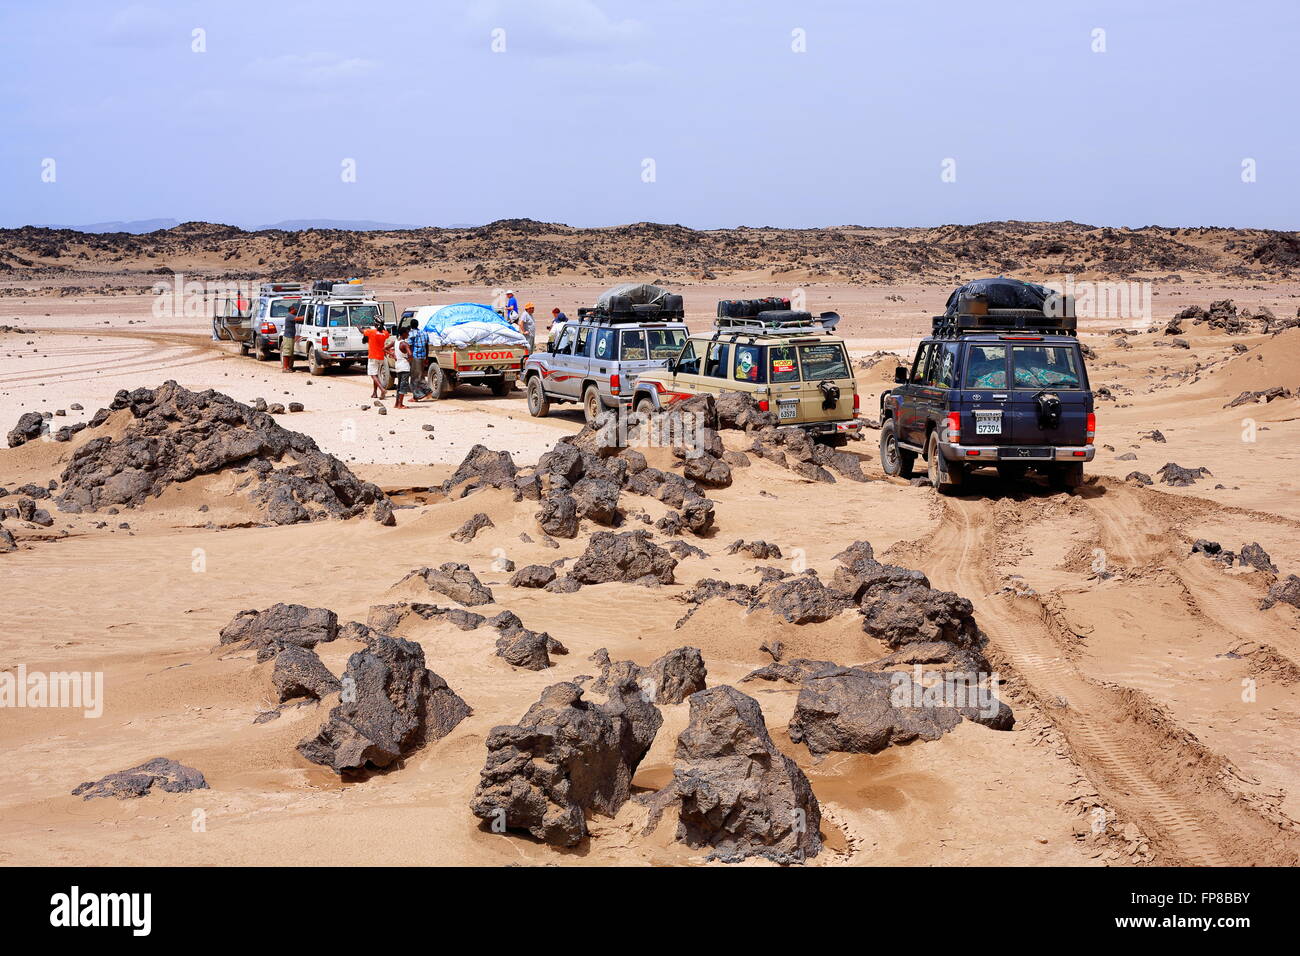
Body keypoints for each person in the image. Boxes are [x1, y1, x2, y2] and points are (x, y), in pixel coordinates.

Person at [362, 319, 390, 399]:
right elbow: (386, 333)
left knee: (373, 374)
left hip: (373, 356)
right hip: (381, 356)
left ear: (375, 324)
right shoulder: (385, 333)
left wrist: (358, 327)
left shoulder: (371, 332)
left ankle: (382, 389)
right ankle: (375, 393)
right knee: (376, 375)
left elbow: (362, 331)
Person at [390, 326, 412, 410]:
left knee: (399, 385)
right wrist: (409, 360)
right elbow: (410, 354)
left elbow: (384, 348)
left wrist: (392, 354)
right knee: (403, 385)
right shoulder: (404, 344)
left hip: (398, 365)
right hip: (404, 366)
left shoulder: (395, 342)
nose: (408, 334)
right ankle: (400, 404)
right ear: (403, 334)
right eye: (407, 333)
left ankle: (396, 403)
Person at [407, 320, 430, 400]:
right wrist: (426, 357)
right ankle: (418, 395)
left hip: (415, 357)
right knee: (420, 375)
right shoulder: (424, 333)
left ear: (410, 325)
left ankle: (424, 392)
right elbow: (427, 346)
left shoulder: (410, 334)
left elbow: (410, 347)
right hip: (422, 356)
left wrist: (409, 358)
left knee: (414, 377)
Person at [280, 305, 298, 373]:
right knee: (287, 352)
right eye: (295, 309)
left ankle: (288, 367)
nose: (296, 311)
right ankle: (285, 368)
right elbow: (298, 319)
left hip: (290, 336)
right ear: (292, 310)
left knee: (289, 353)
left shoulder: (290, 315)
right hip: (288, 337)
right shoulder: (290, 316)